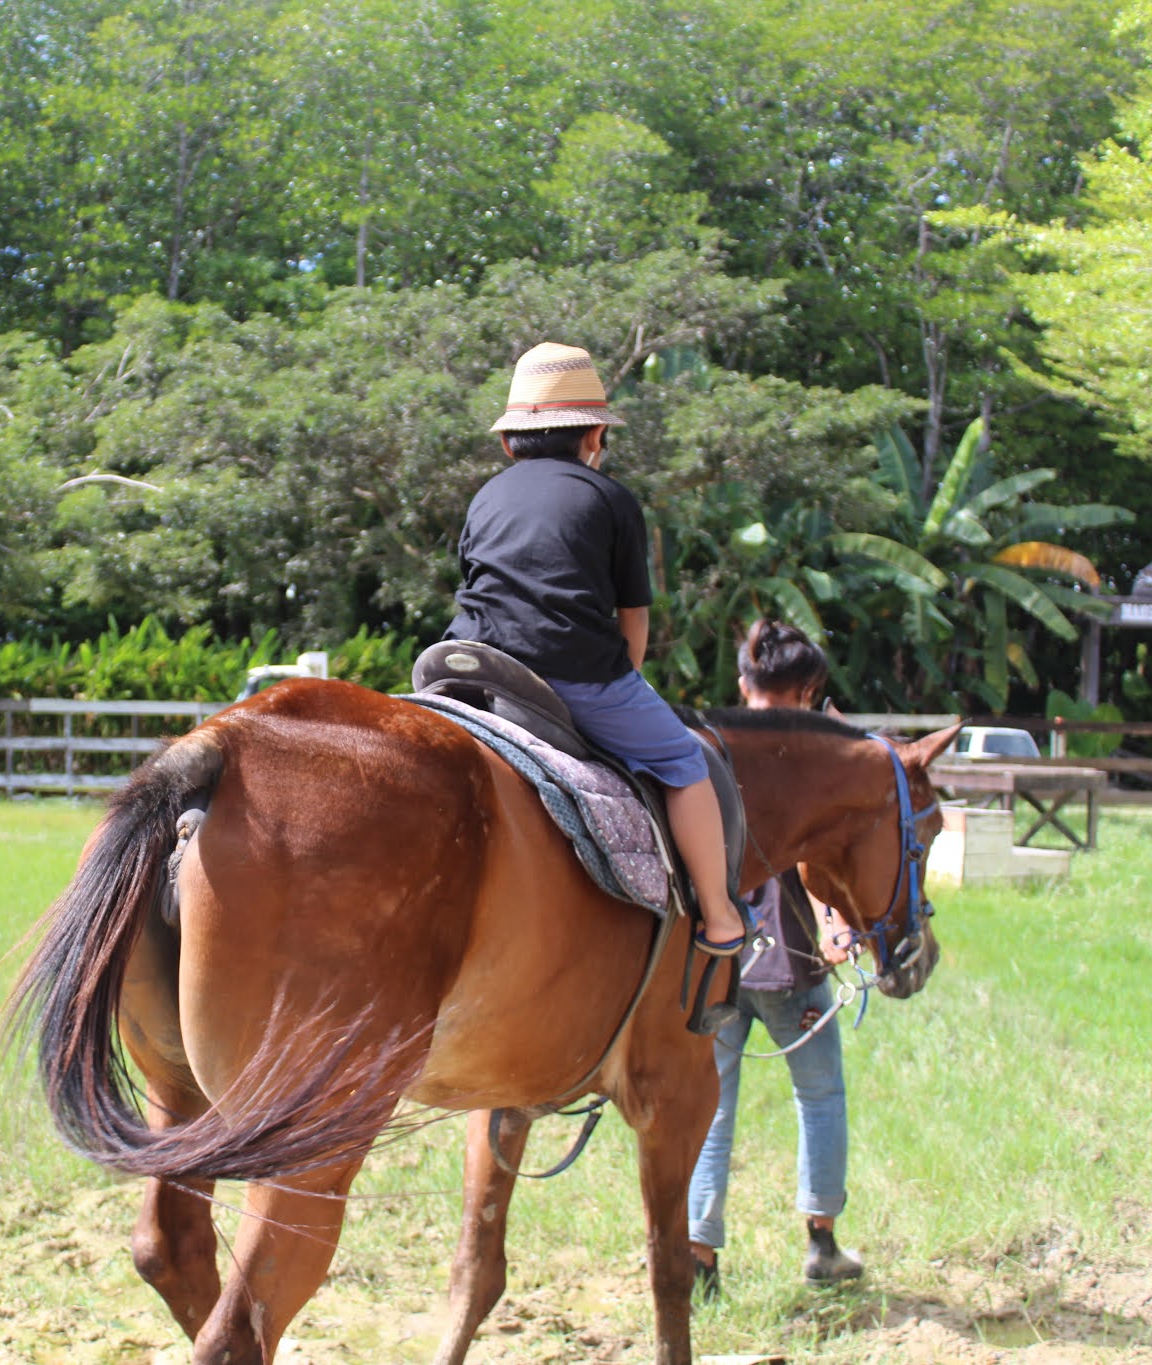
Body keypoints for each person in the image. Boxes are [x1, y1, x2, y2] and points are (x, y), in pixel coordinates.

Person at [447, 341, 745, 957]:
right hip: (568, 672)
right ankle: (719, 918)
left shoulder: (484, 498)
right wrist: (624, 683)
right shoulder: (610, 499)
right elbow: (633, 616)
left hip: (465, 662)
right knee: (684, 762)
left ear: (509, 443)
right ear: (594, 437)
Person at [687, 618, 865, 1297]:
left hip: (718, 958)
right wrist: (835, 924)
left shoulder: (709, 749)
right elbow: (825, 857)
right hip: (792, 960)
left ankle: (700, 1256)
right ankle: (822, 1243)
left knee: (712, 1109)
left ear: (743, 684)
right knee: (820, 1096)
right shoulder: (814, 755)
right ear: (808, 692)